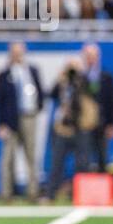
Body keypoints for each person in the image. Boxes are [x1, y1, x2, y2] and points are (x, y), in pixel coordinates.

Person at [0, 41, 44, 202]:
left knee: (31, 155)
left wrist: (38, 109)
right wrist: (1, 123)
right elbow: (0, 101)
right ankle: (7, 193)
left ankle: (33, 192)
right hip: (10, 120)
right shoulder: (4, 74)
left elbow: (40, 92)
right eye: (14, 52)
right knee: (8, 157)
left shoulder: (32, 70)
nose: (17, 55)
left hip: (29, 116)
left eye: (19, 52)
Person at [45, 58, 94, 200]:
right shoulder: (63, 83)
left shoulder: (83, 81)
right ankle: (50, 194)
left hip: (80, 127)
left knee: (82, 163)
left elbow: (92, 92)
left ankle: (79, 194)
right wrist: (61, 79)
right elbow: (51, 95)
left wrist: (80, 76)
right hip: (63, 128)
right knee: (57, 162)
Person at [80, 43, 113, 171]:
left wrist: (111, 124)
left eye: (93, 56)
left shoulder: (107, 77)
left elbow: (111, 102)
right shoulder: (79, 77)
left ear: (98, 57)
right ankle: (83, 188)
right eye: (88, 56)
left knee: (103, 157)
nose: (90, 59)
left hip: (102, 124)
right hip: (84, 124)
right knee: (83, 158)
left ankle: (102, 189)